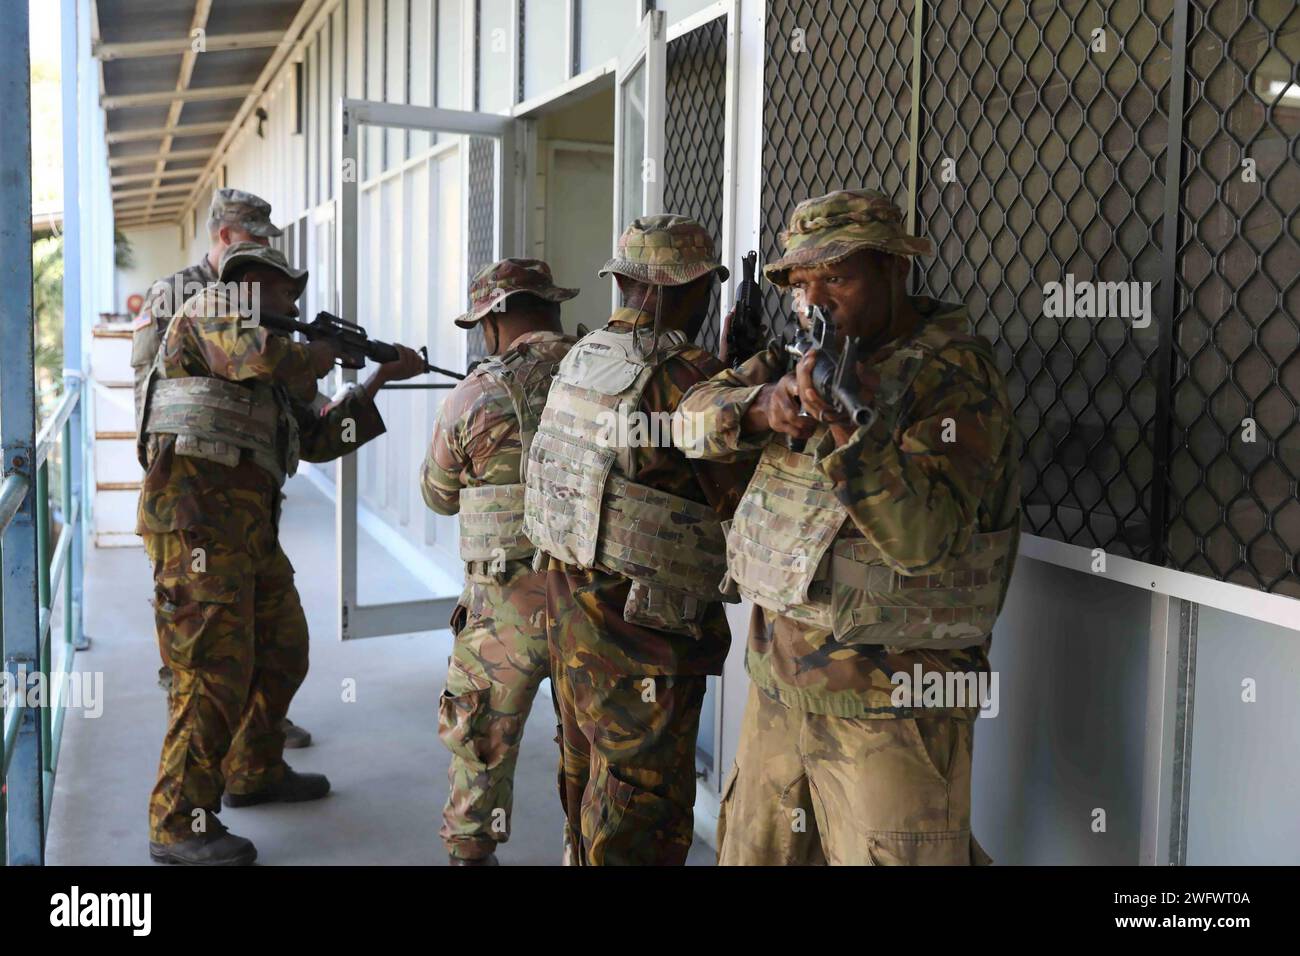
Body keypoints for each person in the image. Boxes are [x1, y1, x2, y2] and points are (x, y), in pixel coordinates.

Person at [675, 188, 1021, 865]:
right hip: (778, 687)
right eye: (804, 282)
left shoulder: (953, 379)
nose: (817, 298)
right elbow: (686, 420)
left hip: (893, 708)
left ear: (896, 269)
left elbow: (920, 539)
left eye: (837, 276)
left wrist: (844, 429)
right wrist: (761, 408)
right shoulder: (793, 356)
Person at [138, 242, 425, 864]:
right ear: (253, 283)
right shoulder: (215, 308)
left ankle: (254, 770)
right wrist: (321, 355)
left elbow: (321, 440)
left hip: (248, 535)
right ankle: (178, 823)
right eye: (288, 290)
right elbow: (263, 358)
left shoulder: (274, 371)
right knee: (210, 671)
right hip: (194, 531)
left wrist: (374, 379)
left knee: (282, 647)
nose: (296, 301)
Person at [524, 215, 751, 865]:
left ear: (623, 284)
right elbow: (740, 493)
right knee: (641, 806)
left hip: (572, 612)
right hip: (645, 630)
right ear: (687, 289)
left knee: (588, 776)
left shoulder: (582, 357)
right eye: (706, 285)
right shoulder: (687, 373)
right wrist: (741, 388)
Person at [129, 188, 311, 748]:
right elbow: (152, 388)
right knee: (201, 650)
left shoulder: (256, 295)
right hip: (191, 473)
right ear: (228, 236)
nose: (265, 250)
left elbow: (275, 384)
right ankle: (205, 756)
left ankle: (256, 740)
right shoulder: (181, 295)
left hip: (245, 477)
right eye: (256, 239)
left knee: (258, 629)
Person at [420, 258, 579, 866]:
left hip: (502, 605)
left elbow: (435, 496)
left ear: (492, 322)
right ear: (554, 306)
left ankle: (471, 854)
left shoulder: (473, 394)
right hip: (591, 604)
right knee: (592, 754)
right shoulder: (602, 375)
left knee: (480, 747)